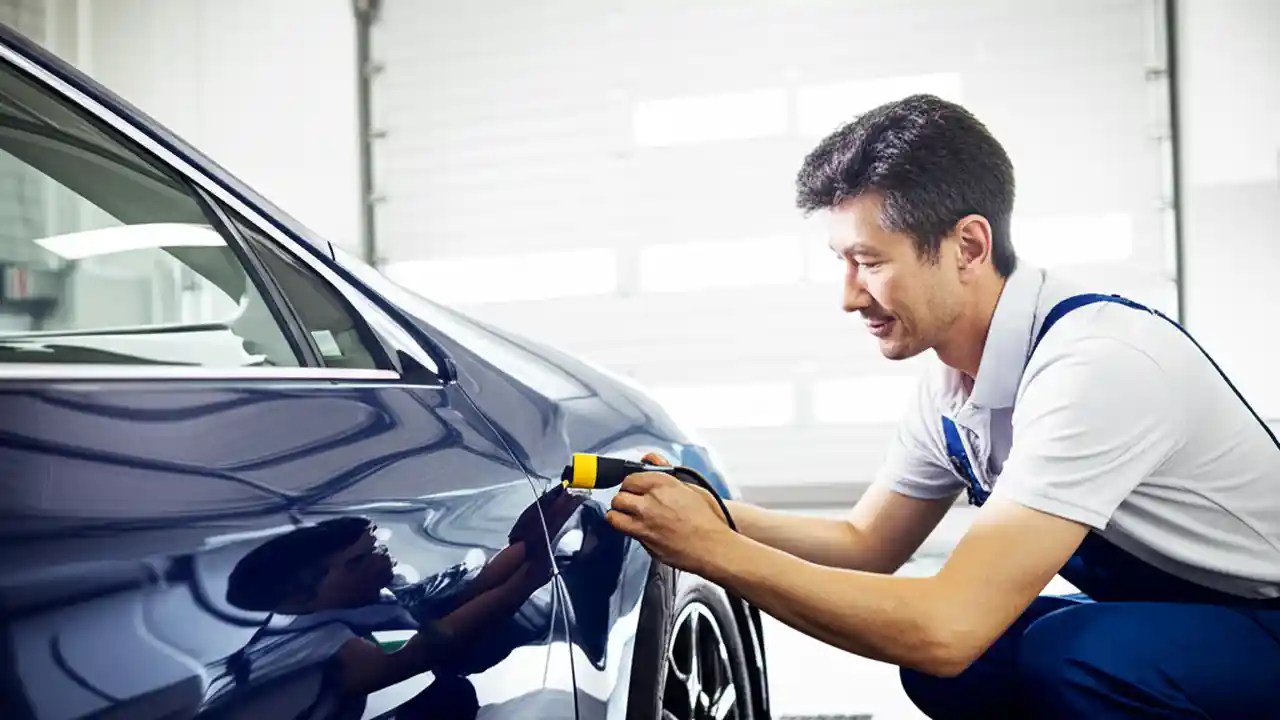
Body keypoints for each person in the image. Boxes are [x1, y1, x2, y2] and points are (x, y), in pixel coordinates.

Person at [605, 94, 1280, 718]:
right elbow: (865, 546)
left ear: (968, 247)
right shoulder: (956, 381)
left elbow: (948, 627)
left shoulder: (1096, 367)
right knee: (963, 668)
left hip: (1263, 620)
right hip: (1191, 620)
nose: (848, 296)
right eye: (842, 262)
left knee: (1068, 654)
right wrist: (700, 506)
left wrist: (714, 550)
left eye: (869, 261)